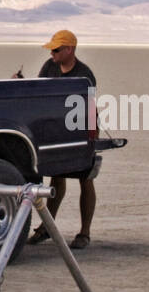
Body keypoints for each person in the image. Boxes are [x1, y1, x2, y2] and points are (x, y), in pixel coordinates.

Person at [28, 28, 98, 251]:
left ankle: (84, 233)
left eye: (56, 50)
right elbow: (39, 93)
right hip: (54, 130)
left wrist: (91, 135)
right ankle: (47, 227)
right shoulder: (49, 67)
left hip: (78, 131)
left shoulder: (84, 74)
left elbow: (90, 107)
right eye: (51, 50)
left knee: (85, 179)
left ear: (70, 49)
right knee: (57, 177)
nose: (52, 54)